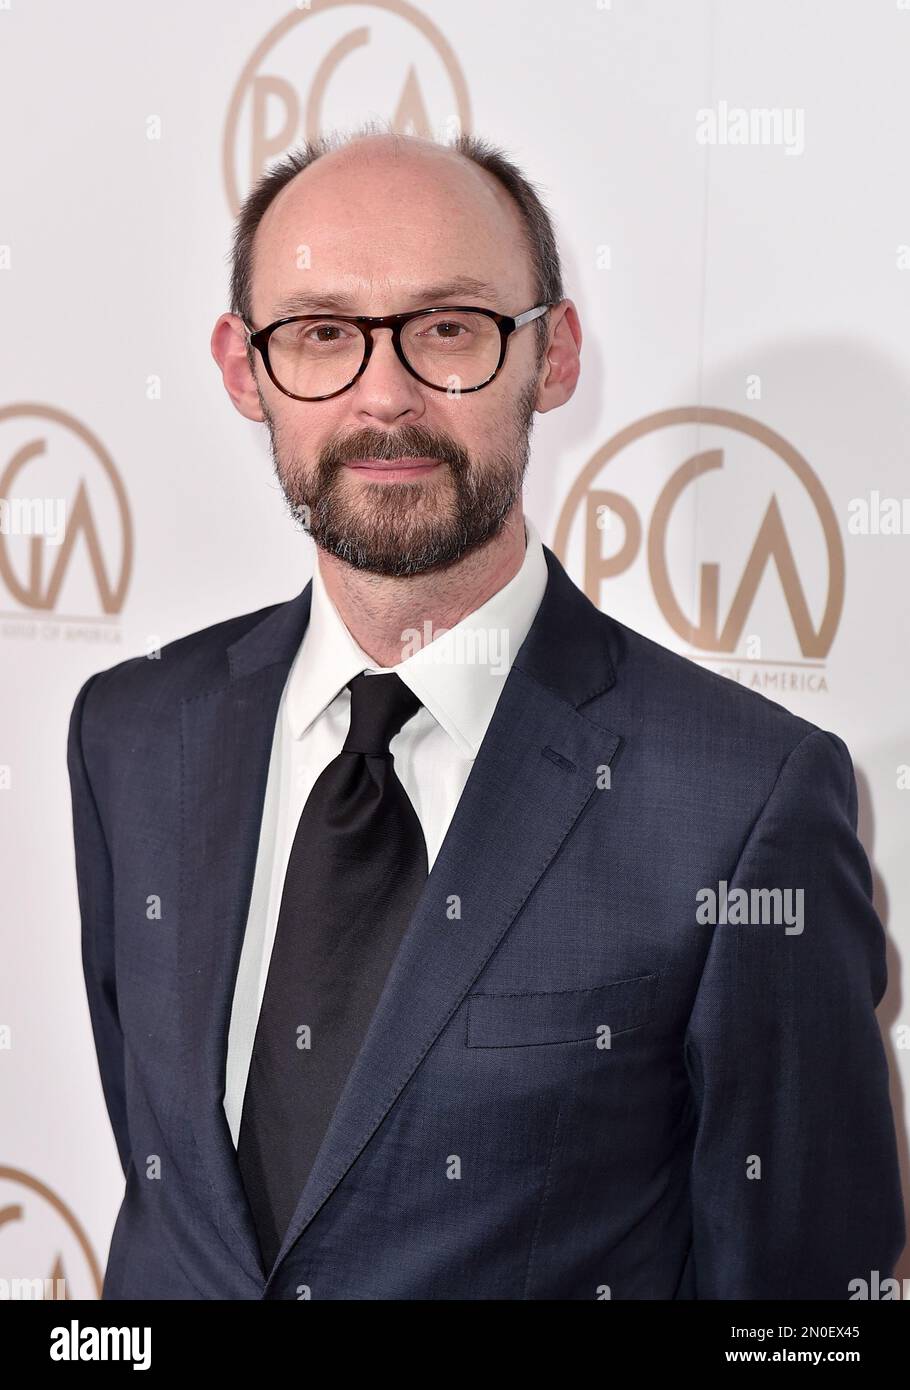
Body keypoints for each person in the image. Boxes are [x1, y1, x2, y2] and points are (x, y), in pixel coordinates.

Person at [67, 124, 905, 1299]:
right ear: (242, 368)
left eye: (448, 328)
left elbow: (804, 1301)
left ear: (552, 355)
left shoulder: (739, 801)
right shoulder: (133, 731)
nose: (385, 396)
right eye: (320, 334)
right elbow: (170, 1202)